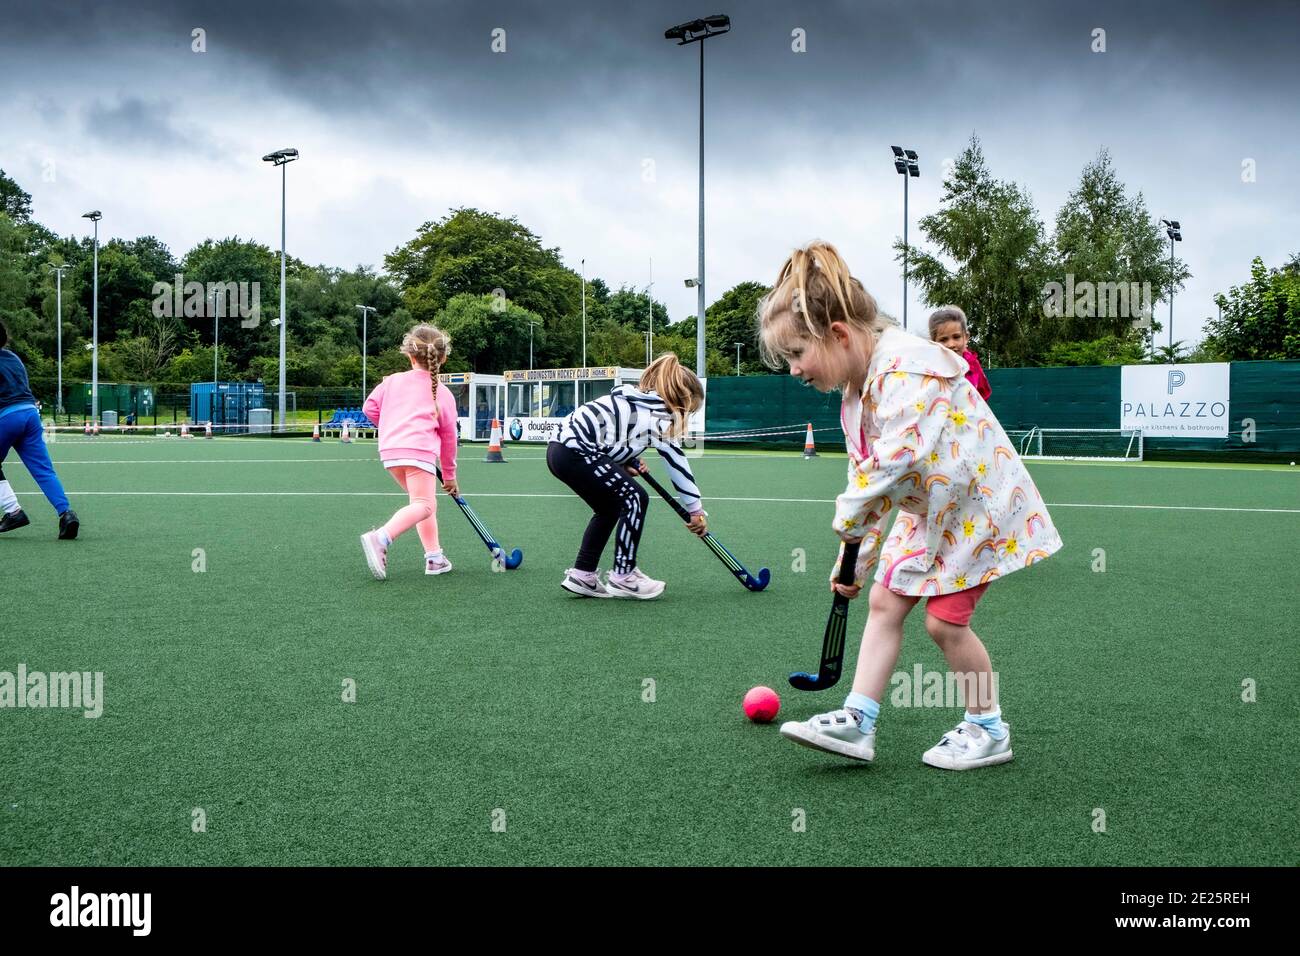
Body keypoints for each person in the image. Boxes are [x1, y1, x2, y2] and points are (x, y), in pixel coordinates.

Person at [757, 242, 1062, 769]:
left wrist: (846, 521)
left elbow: (898, 458)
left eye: (796, 354)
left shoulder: (904, 369)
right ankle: (858, 721)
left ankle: (988, 729)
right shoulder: (856, 395)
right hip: (930, 511)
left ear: (838, 335)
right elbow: (872, 482)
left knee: (944, 624)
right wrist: (855, 555)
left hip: (981, 507)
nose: (793, 370)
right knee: (883, 601)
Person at [546, 353, 707, 600]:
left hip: (560, 452)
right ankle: (623, 576)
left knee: (610, 507)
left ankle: (583, 574)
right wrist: (695, 509)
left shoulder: (635, 400)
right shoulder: (659, 413)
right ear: (681, 399)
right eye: (690, 409)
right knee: (635, 498)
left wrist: (624, 461)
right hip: (577, 450)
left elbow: (610, 438)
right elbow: (676, 461)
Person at [358, 325, 458, 579]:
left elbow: (369, 407)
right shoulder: (443, 393)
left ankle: (434, 558)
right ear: (443, 357)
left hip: (391, 452)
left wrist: (392, 426)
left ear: (410, 355)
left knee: (423, 504)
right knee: (424, 504)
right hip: (418, 452)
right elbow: (449, 438)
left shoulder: (391, 381)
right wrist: (449, 475)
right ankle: (380, 537)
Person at [0, 321, 79, 538]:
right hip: (31, 415)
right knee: (43, 470)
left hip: (7, 417)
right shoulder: (14, 358)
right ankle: (66, 514)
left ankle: (13, 511)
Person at [929, 305, 991, 401]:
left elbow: (983, 395)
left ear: (966, 337)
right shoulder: (930, 370)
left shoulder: (973, 366)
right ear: (933, 342)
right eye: (943, 339)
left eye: (956, 337)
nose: (951, 344)